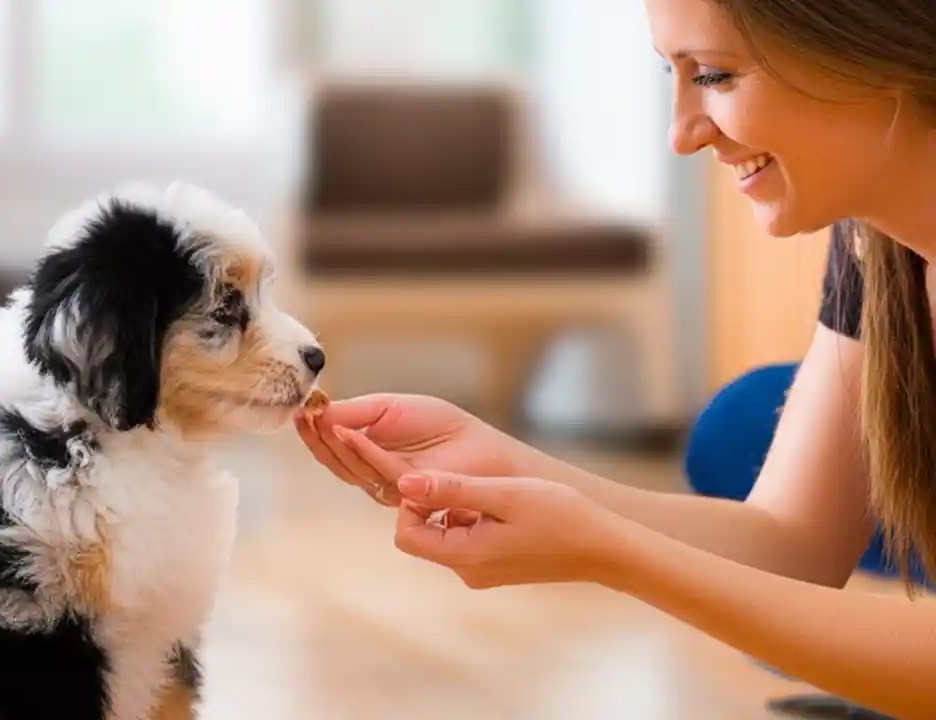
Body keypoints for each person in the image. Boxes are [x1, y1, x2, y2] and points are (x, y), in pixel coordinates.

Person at [294, 1, 936, 717]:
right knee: (743, 431)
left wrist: (611, 553)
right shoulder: (872, 244)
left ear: (874, 48)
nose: (682, 135)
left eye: (717, 76)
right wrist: (506, 467)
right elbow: (792, 552)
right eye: (673, 73)